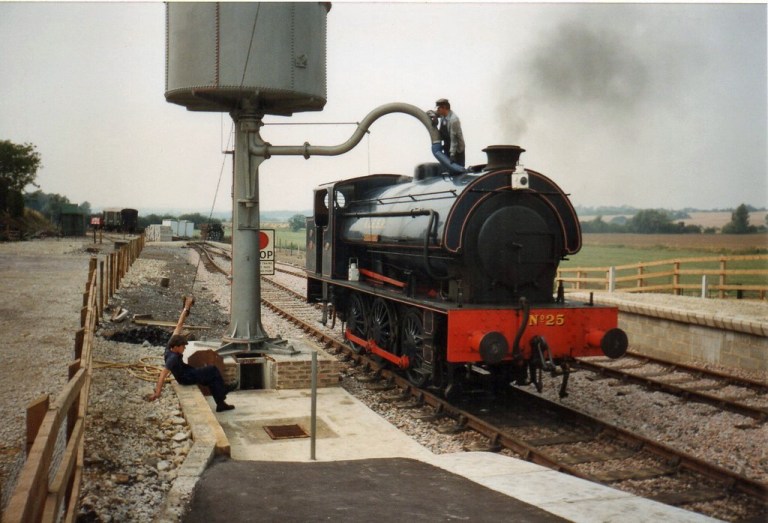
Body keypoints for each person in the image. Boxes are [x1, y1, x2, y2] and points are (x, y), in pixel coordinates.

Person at [147, 297, 234, 412]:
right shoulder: (172, 358)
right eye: (183, 346)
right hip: (185, 377)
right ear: (177, 347)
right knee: (212, 369)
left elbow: (179, 324)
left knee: (211, 378)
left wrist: (187, 307)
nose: (185, 348)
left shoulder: (170, 345)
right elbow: (163, 374)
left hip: (188, 372)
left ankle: (220, 404)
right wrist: (157, 392)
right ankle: (223, 390)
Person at [435, 98, 465, 167]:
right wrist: (434, 117)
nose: (437, 110)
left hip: (456, 150)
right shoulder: (443, 115)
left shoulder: (454, 120)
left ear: (444, 108)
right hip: (447, 146)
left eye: (439, 108)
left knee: (457, 168)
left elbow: (454, 139)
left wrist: (452, 154)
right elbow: (430, 112)